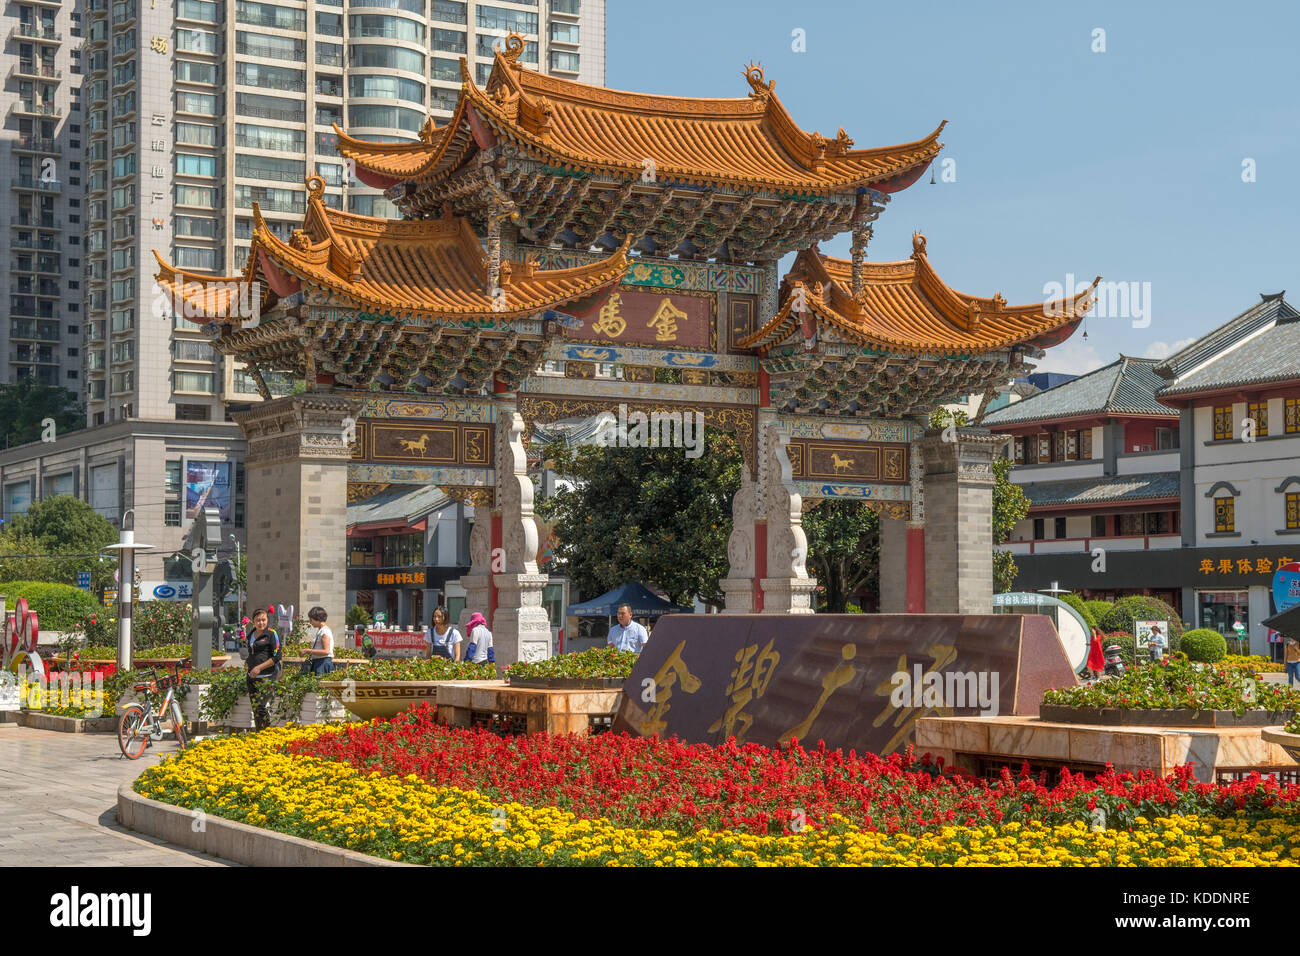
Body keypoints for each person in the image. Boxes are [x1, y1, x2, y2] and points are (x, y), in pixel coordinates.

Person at [245, 608, 282, 730]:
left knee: (261, 706)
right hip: (252, 677)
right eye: (258, 620)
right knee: (255, 707)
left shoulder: (271, 634)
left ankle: (266, 732)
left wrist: (259, 668)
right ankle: (259, 732)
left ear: (267, 620)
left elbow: (277, 656)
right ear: (253, 621)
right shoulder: (251, 634)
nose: (261, 623)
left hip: (267, 676)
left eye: (263, 620)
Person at [299, 606, 335, 676]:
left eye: (311, 619)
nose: (310, 622)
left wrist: (307, 650)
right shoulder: (321, 630)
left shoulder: (325, 631)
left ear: (317, 619)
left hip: (322, 664)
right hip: (319, 663)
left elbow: (326, 651)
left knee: (320, 685)